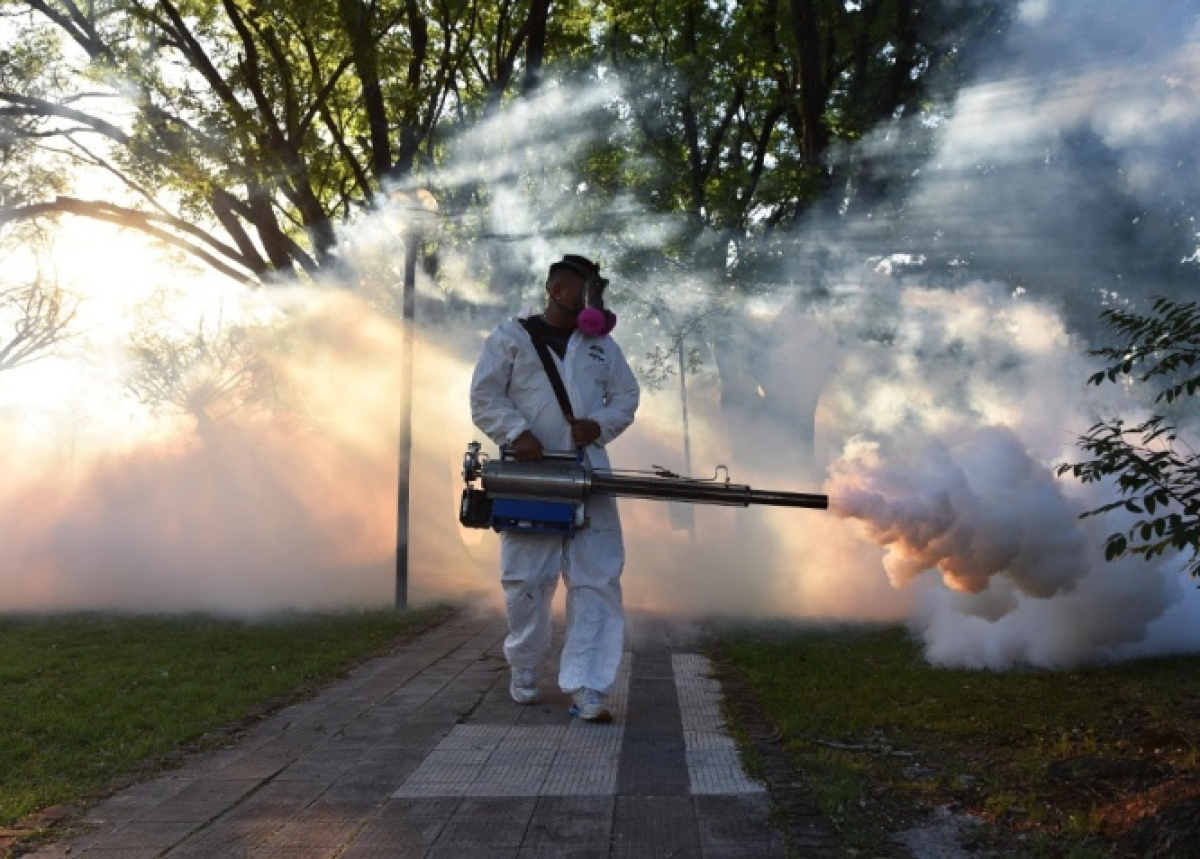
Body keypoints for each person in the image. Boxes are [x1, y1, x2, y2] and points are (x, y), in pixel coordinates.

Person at [469, 255, 640, 722]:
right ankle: (525, 664)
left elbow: (626, 396)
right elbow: (484, 396)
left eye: (597, 293)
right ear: (557, 290)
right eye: (586, 291)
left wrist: (598, 426)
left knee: (597, 579)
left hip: (588, 475)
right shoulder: (511, 338)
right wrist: (516, 432)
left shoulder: (603, 346)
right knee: (527, 579)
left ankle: (588, 685)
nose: (594, 301)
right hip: (531, 477)